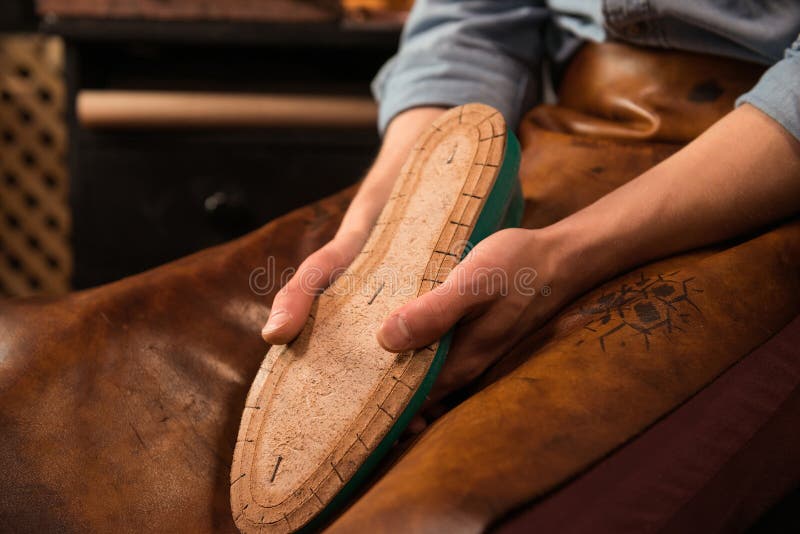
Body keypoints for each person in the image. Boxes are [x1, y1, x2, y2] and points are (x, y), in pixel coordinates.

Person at [262, 1, 800, 406]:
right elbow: (472, 24)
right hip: (564, 140)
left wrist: (564, 255)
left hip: (763, 169)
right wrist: (391, 212)